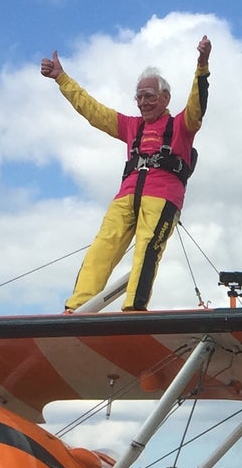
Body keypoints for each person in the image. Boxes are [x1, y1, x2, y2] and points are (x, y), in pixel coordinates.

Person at [42, 37, 212, 312]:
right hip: (127, 195)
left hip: (162, 198)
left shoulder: (182, 125)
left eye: (150, 96)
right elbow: (93, 111)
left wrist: (202, 66)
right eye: (140, 97)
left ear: (165, 98)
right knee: (102, 247)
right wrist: (62, 78)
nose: (143, 102)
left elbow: (197, 105)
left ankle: (134, 309)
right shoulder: (131, 126)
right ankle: (77, 308)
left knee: (146, 251)